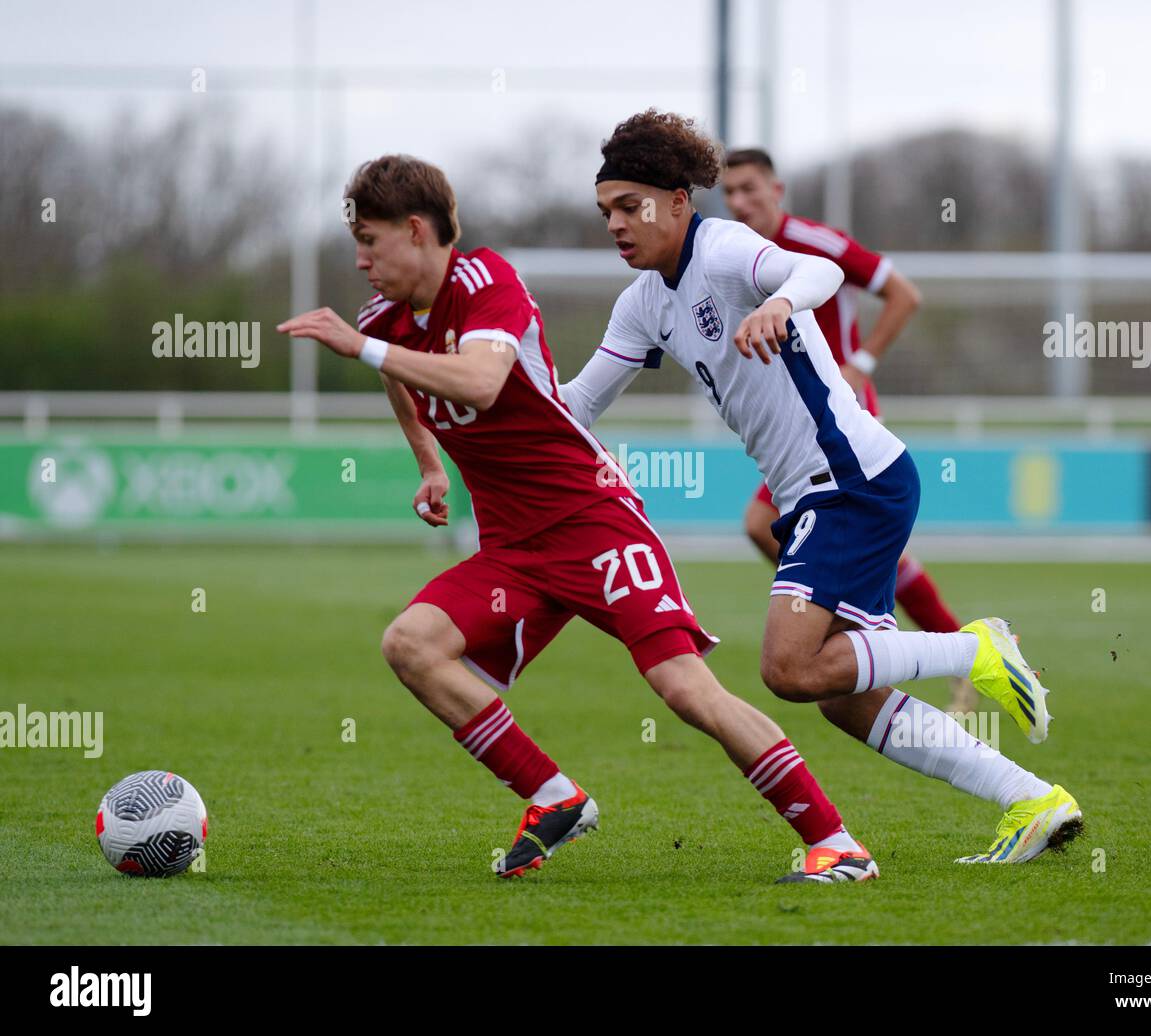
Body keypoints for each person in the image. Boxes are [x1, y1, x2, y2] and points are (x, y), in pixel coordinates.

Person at [277, 153, 879, 884]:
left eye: (370, 240)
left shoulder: (484, 281)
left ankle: (836, 843)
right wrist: (430, 464)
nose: (362, 259)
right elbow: (399, 379)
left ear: (414, 230)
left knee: (686, 691)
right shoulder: (386, 320)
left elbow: (483, 380)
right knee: (410, 644)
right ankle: (553, 797)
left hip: (593, 521)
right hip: (512, 551)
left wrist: (362, 345)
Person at [561, 111, 1082, 865]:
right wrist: (478, 393)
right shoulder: (644, 300)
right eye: (606, 210)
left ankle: (972, 651)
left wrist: (778, 302)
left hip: (849, 483)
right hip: (824, 492)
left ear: (678, 200)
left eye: (629, 205)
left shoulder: (725, 248)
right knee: (843, 696)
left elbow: (823, 273)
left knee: (790, 668)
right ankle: (1033, 800)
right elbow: (576, 406)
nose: (615, 223)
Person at [721, 147, 976, 713]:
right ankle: (883, 632)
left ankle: (950, 650)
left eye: (749, 189)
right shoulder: (736, 258)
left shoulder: (818, 244)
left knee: (763, 522)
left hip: (843, 426)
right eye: (729, 193)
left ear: (776, 190)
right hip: (799, 427)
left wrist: (862, 362)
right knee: (800, 535)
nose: (739, 202)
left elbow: (905, 295)